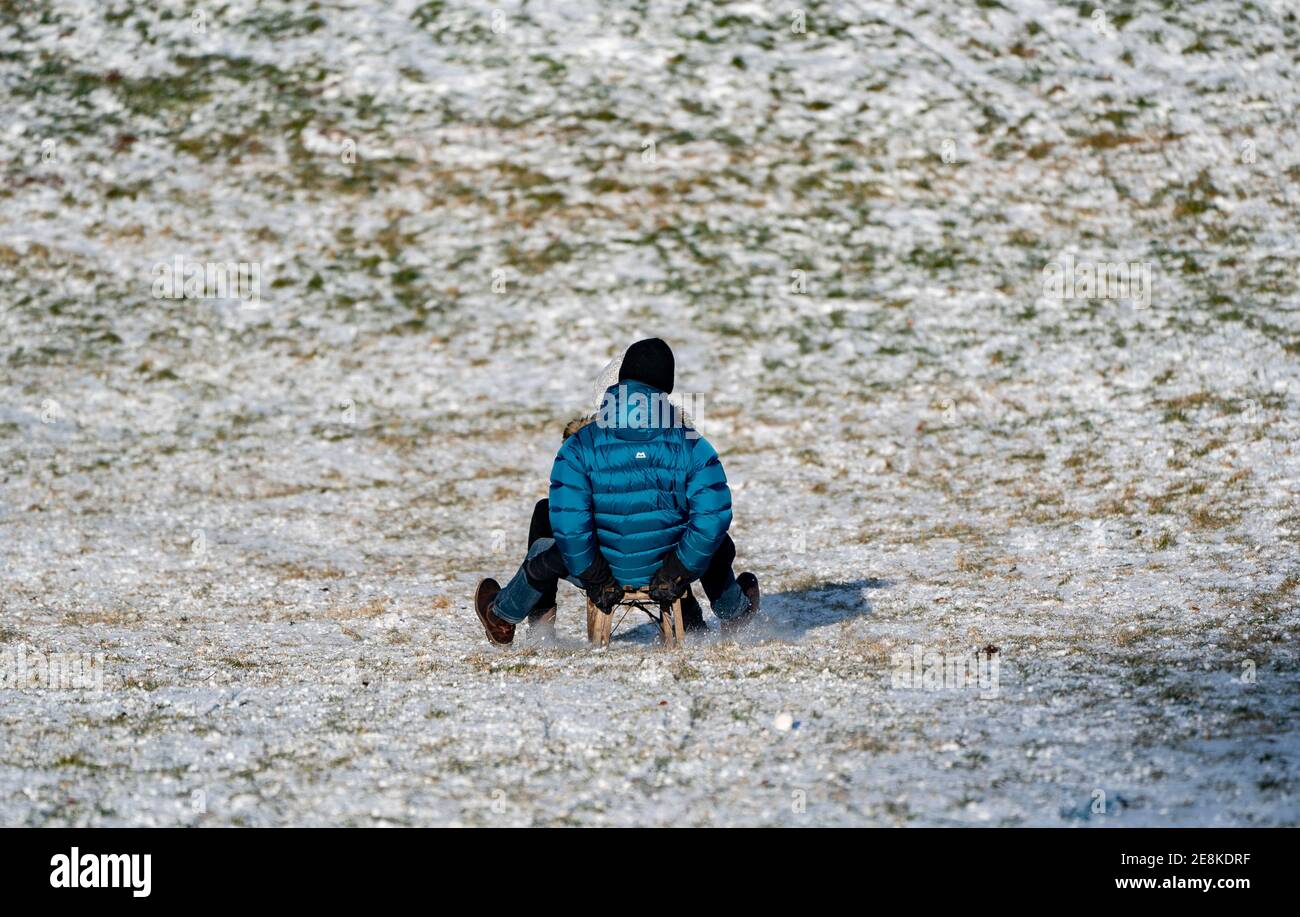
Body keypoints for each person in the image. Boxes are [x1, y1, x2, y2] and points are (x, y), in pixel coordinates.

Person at [474, 338, 759, 645]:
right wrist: (677, 570)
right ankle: (733, 612)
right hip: (669, 566)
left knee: (544, 544)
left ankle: (504, 615)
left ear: (621, 380)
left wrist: (596, 575)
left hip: (599, 569)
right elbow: (712, 517)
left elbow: (569, 525)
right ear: (667, 387)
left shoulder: (580, 446)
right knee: (715, 541)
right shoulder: (692, 444)